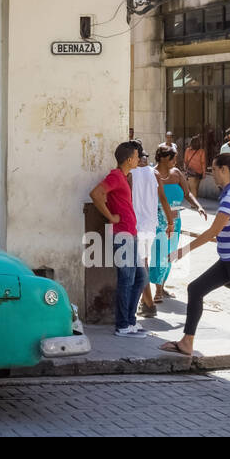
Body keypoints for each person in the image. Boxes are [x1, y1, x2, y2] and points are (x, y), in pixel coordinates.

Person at [157, 152, 230, 381]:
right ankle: (186, 343)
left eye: (214, 169)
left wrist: (182, 251)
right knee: (195, 289)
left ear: (224, 170)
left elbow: (213, 231)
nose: (211, 175)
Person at [89, 141, 148, 338]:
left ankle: (130, 322)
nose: (139, 159)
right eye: (137, 156)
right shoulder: (115, 176)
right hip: (122, 235)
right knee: (127, 279)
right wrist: (111, 216)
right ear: (129, 159)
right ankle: (123, 325)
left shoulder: (123, 177)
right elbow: (96, 194)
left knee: (140, 277)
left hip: (129, 234)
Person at [149, 144, 208, 302]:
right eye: (173, 158)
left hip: (175, 221)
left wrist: (199, 206)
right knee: (158, 254)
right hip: (158, 221)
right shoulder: (151, 174)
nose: (176, 161)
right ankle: (158, 290)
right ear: (163, 158)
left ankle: (161, 285)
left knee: (170, 254)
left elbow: (188, 193)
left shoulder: (176, 174)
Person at [128, 140, 167, 318]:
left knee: (140, 266)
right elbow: (163, 200)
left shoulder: (129, 175)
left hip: (136, 225)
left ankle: (149, 304)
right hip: (150, 225)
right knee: (142, 263)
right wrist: (170, 222)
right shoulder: (155, 173)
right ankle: (146, 303)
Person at [183, 135, 206, 199]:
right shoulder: (202, 151)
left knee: (193, 189)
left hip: (191, 172)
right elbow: (203, 163)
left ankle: (194, 204)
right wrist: (204, 173)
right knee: (196, 188)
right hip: (199, 172)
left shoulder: (188, 150)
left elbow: (185, 160)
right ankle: (195, 202)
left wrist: (185, 169)